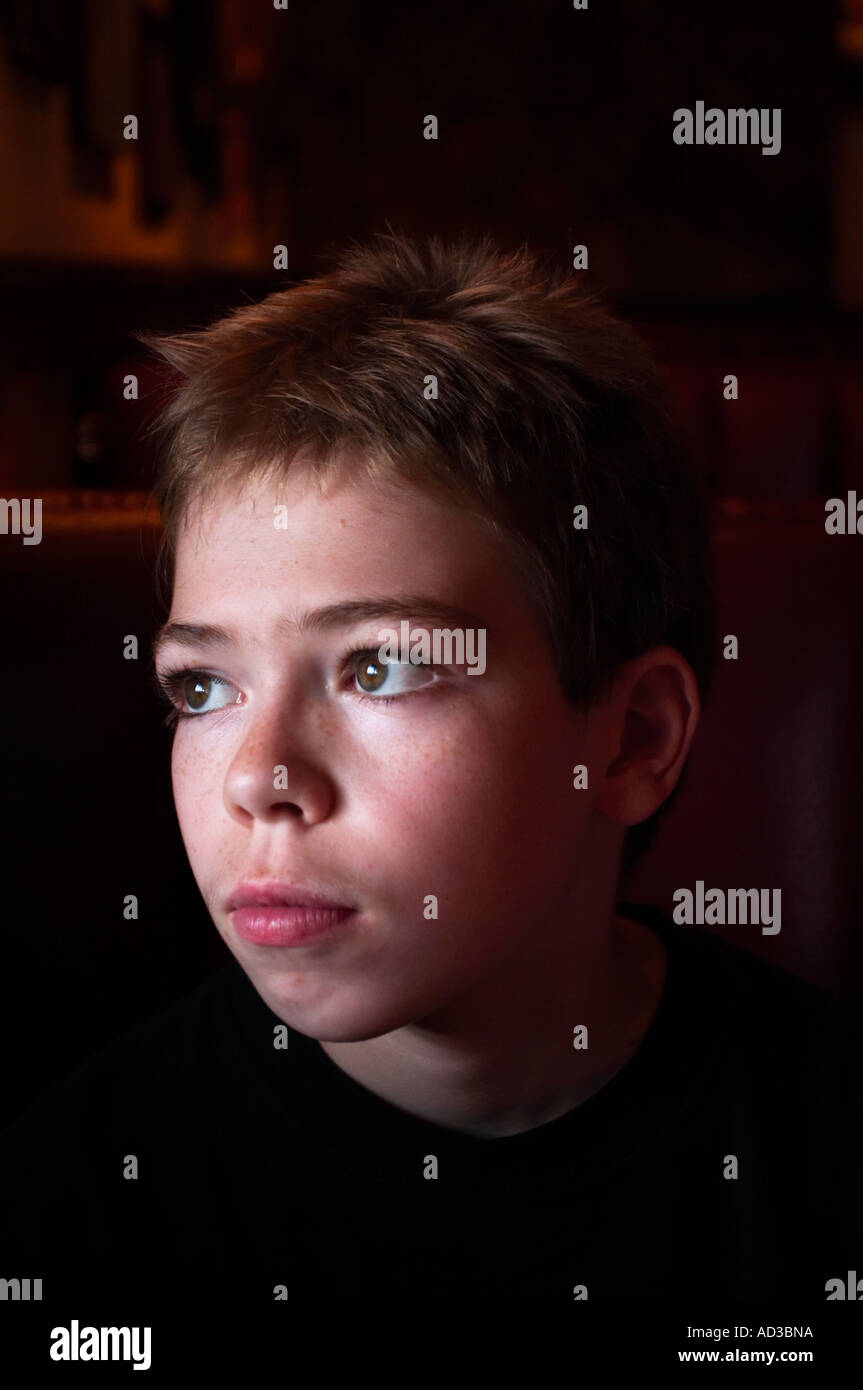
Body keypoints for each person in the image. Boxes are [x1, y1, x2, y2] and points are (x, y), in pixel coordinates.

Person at [2, 232, 860, 1310]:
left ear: (634, 737)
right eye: (203, 687)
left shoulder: (821, 1160)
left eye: (382, 668)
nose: (258, 779)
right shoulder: (72, 1211)